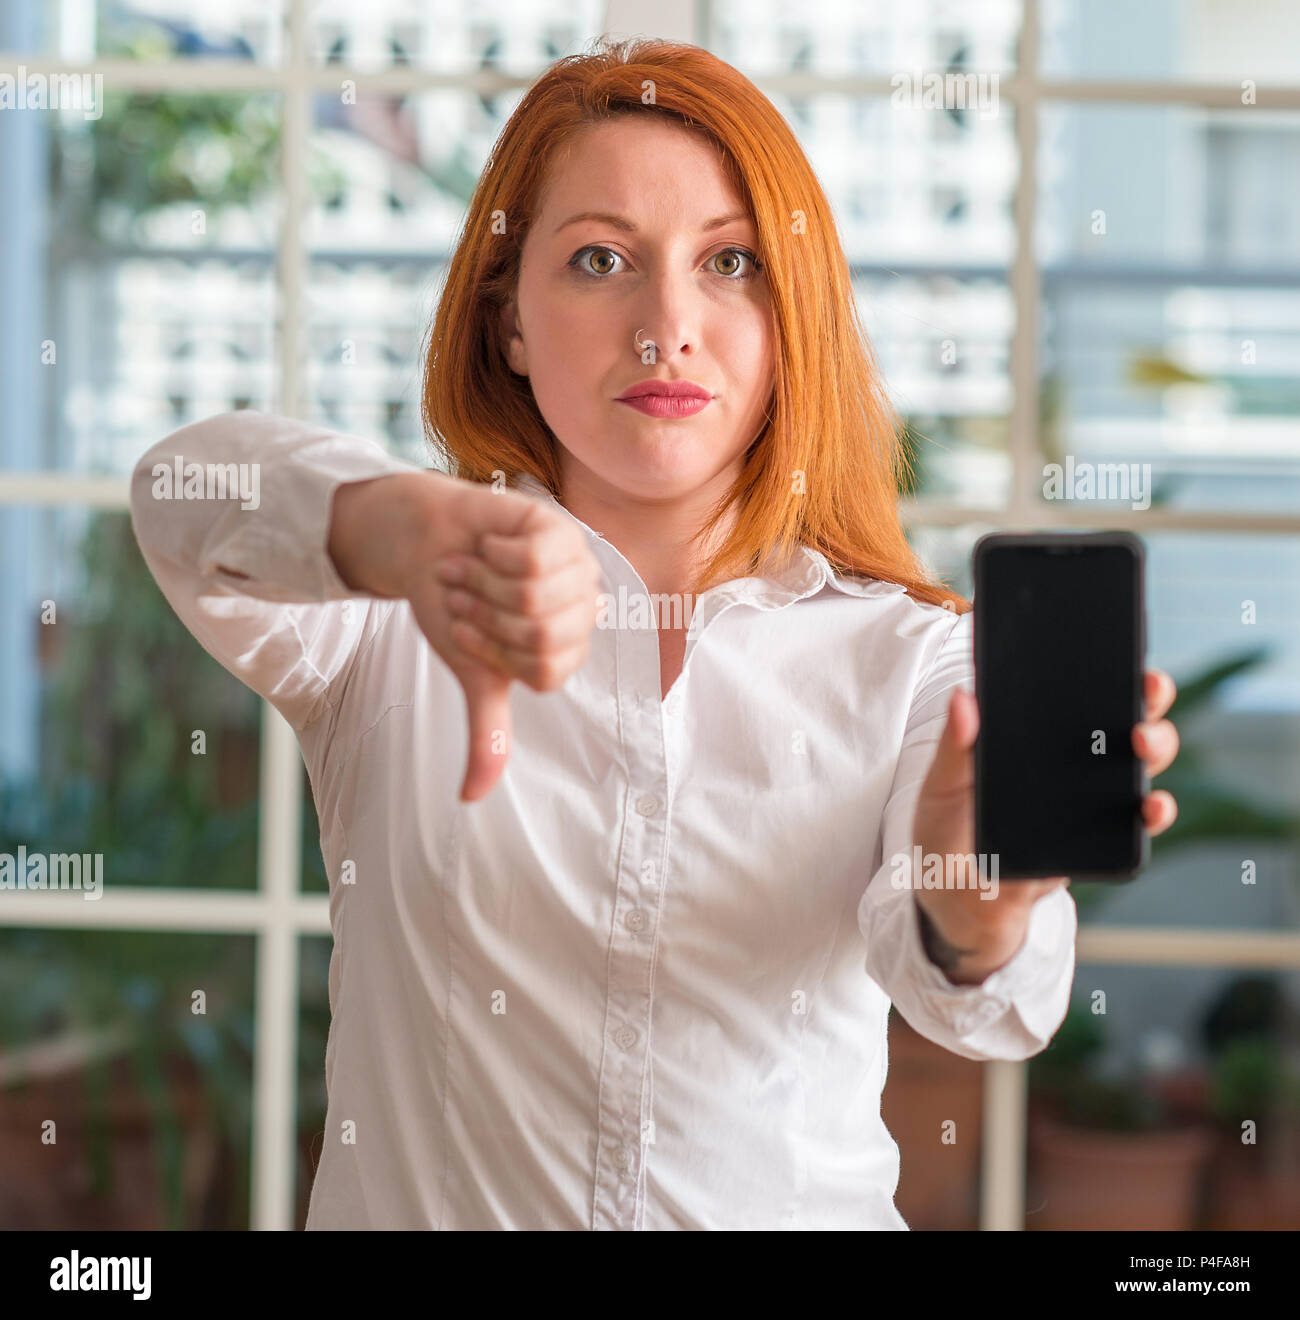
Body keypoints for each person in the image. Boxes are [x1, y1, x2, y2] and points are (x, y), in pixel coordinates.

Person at [129, 37, 1181, 1230]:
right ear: (510, 322)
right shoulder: (390, 620)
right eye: (598, 260)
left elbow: (984, 1012)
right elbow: (181, 492)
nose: (665, 323)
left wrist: (974, 891)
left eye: (729, 261)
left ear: (791, 321)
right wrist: (388, 526)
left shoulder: (913, 665)